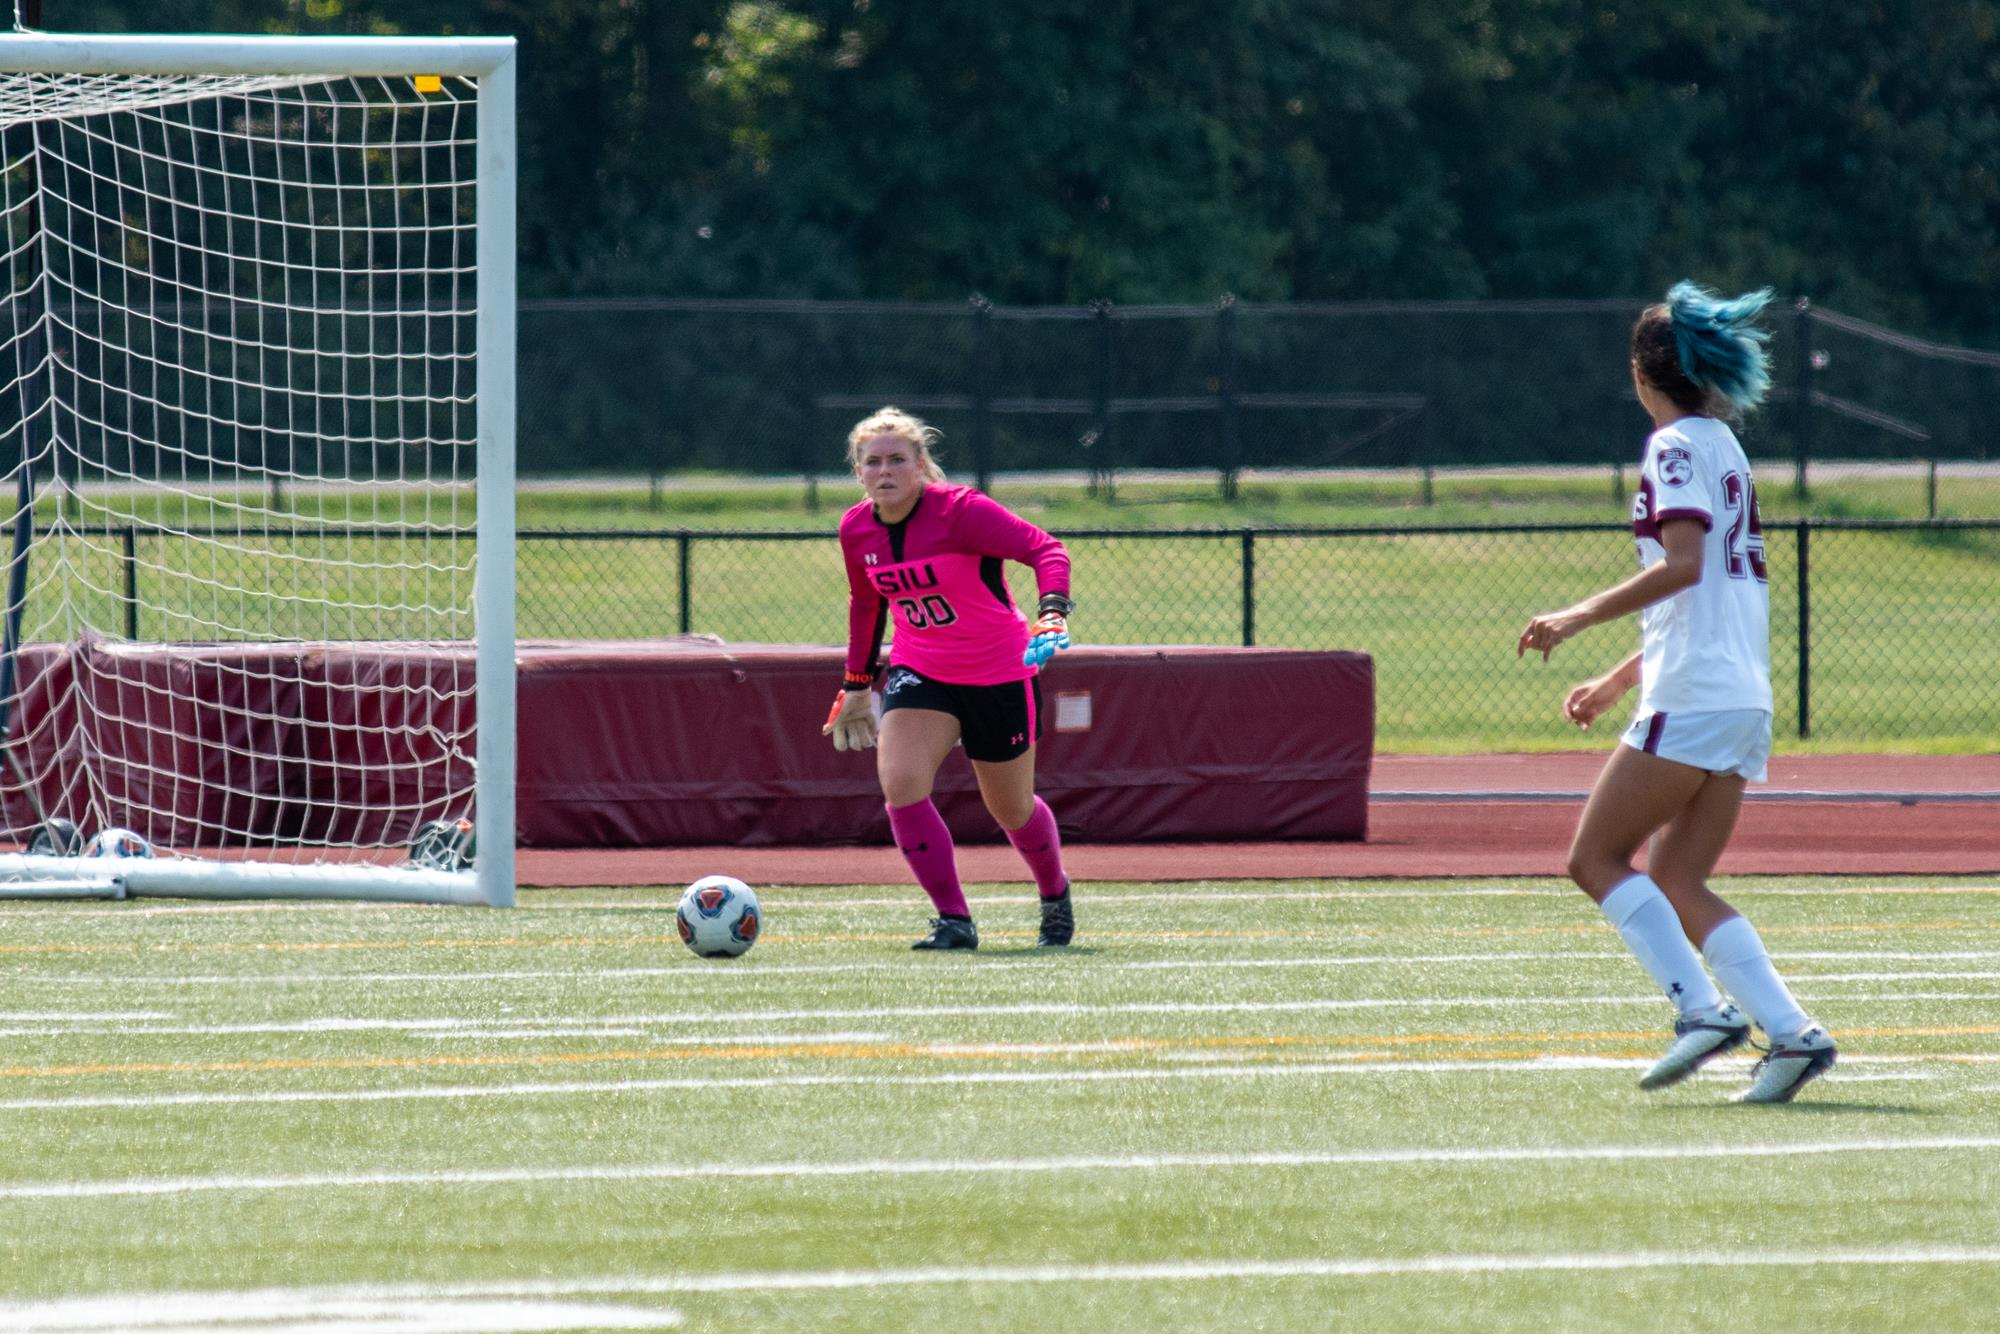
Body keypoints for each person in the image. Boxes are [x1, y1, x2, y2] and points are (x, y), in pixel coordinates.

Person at [1518, 282, 1837, 1104]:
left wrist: (1576, 616)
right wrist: (1623, 675)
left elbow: (1685, 567)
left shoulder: (1671, 448)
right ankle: (1794, 1035)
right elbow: (1708, 594)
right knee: (1679, 880)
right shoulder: (1726, 444)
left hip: (1697, 696)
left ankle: (1702, 1010)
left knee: (1593, 858)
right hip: (1738, 698)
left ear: (1641, 372)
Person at [822, 406, 1077, 950]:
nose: (884, 471)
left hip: (1000, 670)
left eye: (897, 459)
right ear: (858, 471)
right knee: (901, 782)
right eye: (872, 462)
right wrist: (856, 685)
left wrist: (1052, 611)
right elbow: (867, 603)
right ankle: (953, 919)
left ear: (921, 465)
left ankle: (1054, 893)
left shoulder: (960, 512)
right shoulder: (856, 528)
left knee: (1010, 808)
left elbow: (1045, 549)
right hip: (922, 669)